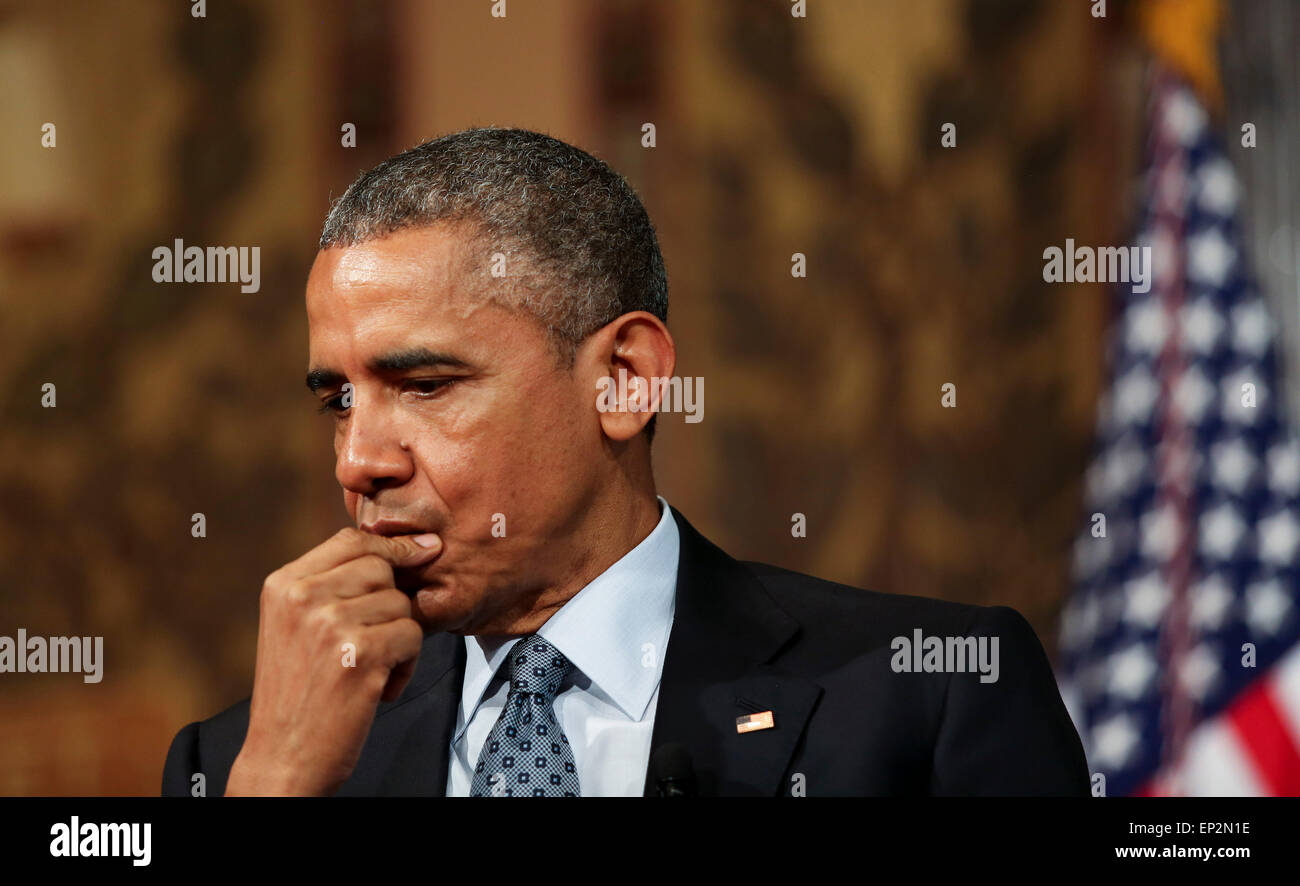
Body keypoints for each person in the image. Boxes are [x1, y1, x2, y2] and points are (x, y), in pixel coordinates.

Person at [162, 128, 1089, 797]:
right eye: (339, 400)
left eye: (428, 385)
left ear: (624, 379)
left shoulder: (929, 698)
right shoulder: (239, 763)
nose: (358, 459)